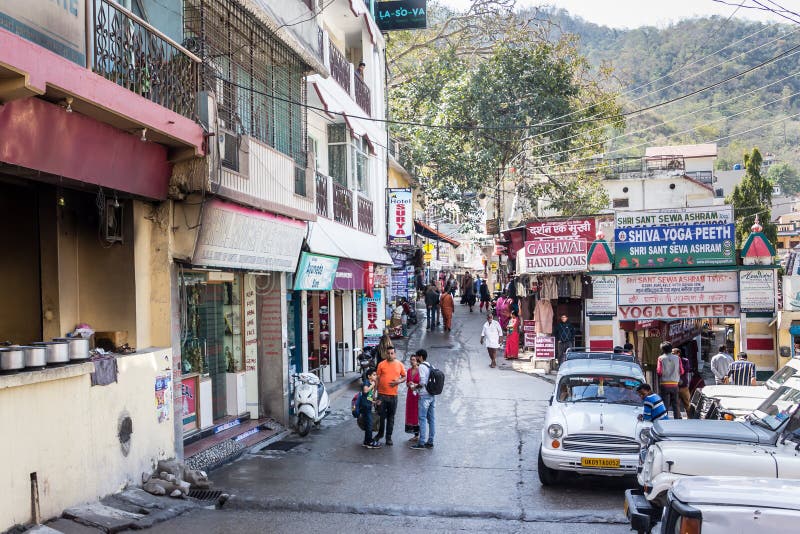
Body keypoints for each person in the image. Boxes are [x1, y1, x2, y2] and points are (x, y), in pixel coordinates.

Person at [375, 347, 406, 446]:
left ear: (395, 354)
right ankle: (380, 435)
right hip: (381, 395)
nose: (390, 355)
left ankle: (389, 437)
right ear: (386, 354)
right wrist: (375, 393)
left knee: (391, 417)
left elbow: (405, 376)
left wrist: (398, 381)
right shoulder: (381, 364)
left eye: (392, 353)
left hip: (393, 396)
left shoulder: (399, 364)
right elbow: (377, 379)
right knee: (381, 417)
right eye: (388, 353)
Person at [410, 349, 436, 450]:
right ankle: (430, 441)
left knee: (422, 418)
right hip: (432, 395)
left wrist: (414, 387)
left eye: (417, 356)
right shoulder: (430, 365)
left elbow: (423, 382)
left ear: (420, 357)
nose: (416, 358)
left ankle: (421, 442)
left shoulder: (421, 367)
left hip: (424, 396)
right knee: (431, 419)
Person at [656, 341, 683, 419]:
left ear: (662, 349)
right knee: (676, 403)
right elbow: (682, 371)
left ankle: (665, 419)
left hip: (664, 384)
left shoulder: (660, 358)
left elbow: (659, 371)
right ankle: (677, 419)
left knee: (665, 403)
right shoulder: (678, 358)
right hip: (675, 384)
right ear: (671, 349)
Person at [360, 368, 381, 448]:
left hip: (368, 405)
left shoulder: (371, 382)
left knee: (369, 423)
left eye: (376, 375)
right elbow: (365, 391)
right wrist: (372, 385)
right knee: (369, 424)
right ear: (369, 376)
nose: (375, 376)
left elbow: (368, 397)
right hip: (365, 406)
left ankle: (367, 441)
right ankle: (369, 442)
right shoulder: (366, 382)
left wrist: (374, 402)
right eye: (374, 375)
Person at [404, 355, 421, 441]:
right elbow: (407, 383)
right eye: (411, 360)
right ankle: (415, 434)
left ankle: (419, 434)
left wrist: (416, 385)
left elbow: (422, 383)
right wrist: (409, 383)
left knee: (417, 413)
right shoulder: (409, 371)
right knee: (411, 414)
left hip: (417, 395)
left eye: (413, 360)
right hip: (410, 395)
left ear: (417, 361)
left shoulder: (420, 371)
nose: (412, 361)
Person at [676, 348, 692, 413]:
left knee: (687, 403)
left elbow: (687, 369)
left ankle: (690, 418)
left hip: (684, 386)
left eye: (674, 353)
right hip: (675, 386)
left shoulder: (685, 360)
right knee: (676, 404)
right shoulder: (671, 361)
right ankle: (678, 418)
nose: (672, 354)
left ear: (678, 353)